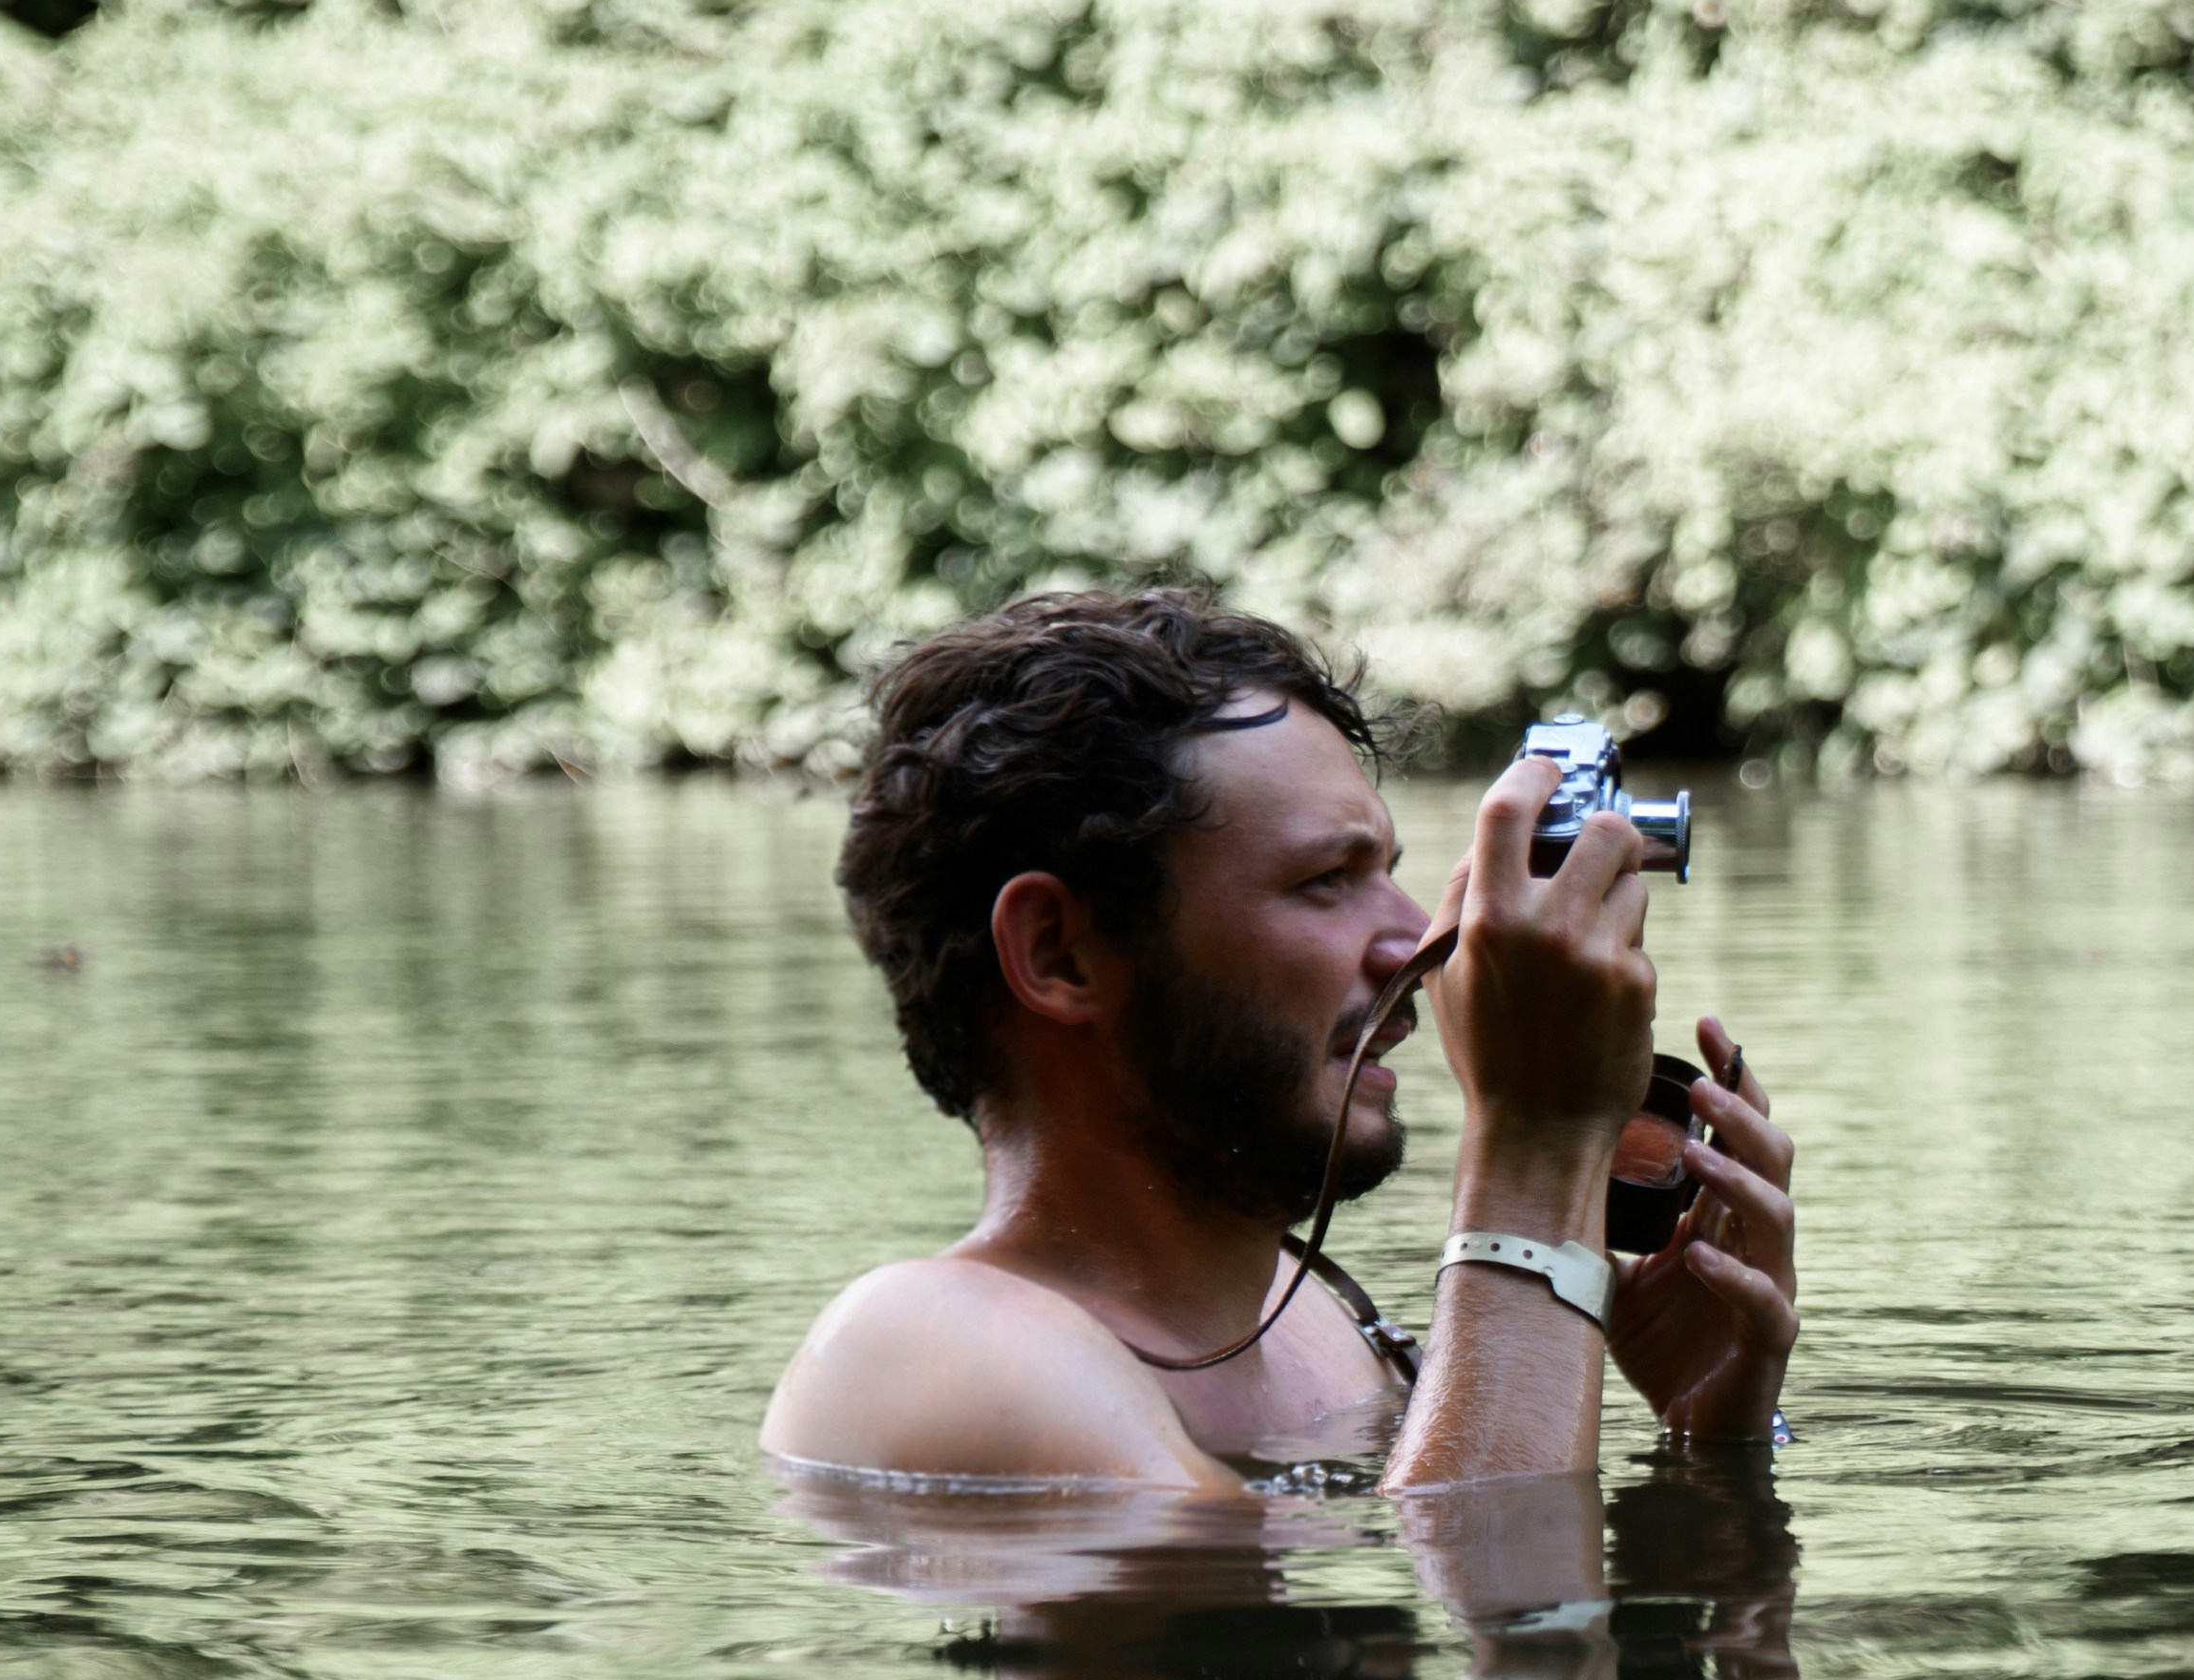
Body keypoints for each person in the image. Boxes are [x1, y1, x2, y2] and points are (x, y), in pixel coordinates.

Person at [764, 589, 1799, 1490]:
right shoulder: (936, 1347)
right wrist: (1535, 1155)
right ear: (1060, 955)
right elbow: (1495, 1590)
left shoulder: (1323, 1327)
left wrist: (1711, 1441)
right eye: (1324, 881)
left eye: (1390, 870)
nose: (1419, 940)